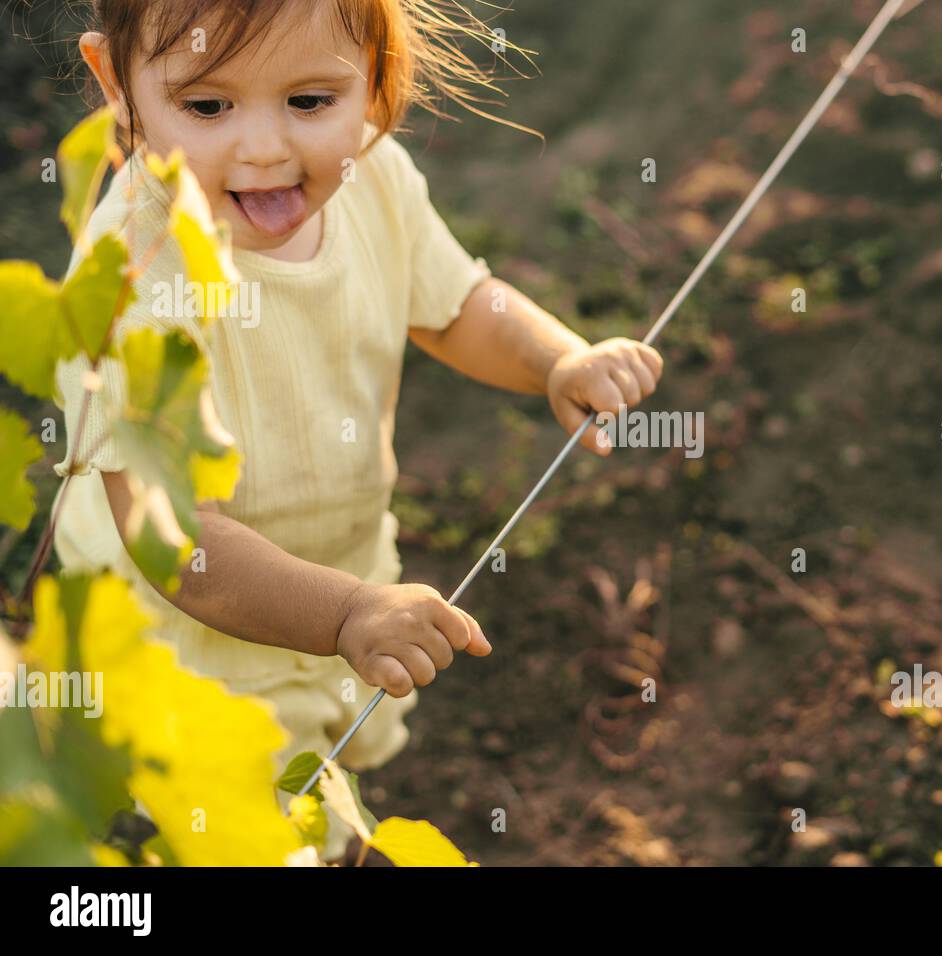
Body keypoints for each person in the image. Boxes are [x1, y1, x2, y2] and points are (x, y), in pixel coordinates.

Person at [55, 0, 664, 860]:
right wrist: (346, 615)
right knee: (228, 828)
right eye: (206, 107)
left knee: (327, 770)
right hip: (189, 646)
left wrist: (557, 360)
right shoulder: (136, 280)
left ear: (375, 77)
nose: (265, 148)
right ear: (118, 86)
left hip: (340, 572)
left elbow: (455, 304)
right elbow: (177, 539)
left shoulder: (377, 180)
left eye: (309, 103)